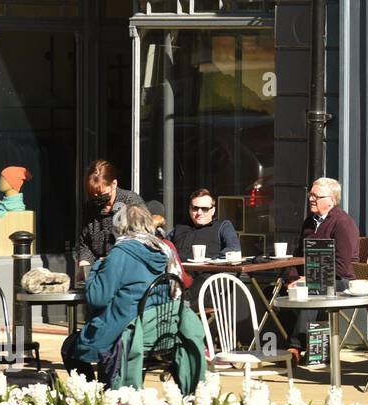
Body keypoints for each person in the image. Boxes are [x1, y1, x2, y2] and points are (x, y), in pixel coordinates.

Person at [62, 204, 205, 392]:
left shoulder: (121, 252)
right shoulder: (164, 249)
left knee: (71, 347)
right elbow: (181, 283)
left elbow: (97, 298)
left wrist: (96, 266)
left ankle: (91, 396)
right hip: (163, 331)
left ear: (119, 227)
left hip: (129, 330)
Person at [283, 177, 361, 362]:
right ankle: (295, 346)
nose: (311, 199)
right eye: (310, 194)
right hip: (312, 278)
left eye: (316, 196)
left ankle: (295, 347)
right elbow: (298, 255)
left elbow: (342, 266)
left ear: (331, 200)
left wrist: (308, 280)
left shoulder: (343, 223)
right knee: (278, 291)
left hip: (341, 280)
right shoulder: (309, 222)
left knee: (311, 290)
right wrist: (292, 278)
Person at [74, 159, 144, 281]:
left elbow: (140, 242)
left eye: (101, 193)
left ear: (114, 184)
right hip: (99, 274)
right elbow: (85, 242)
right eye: (93, 194)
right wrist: (84, 268)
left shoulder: (130, 202)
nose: (97, 198)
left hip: (128, 273)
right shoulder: (90, 207)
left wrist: (110, 260)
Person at [170, 189, 242, 261]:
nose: (199, 213)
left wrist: (210, 261)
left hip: (211, 271)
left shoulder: (223, 226)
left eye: (204, 209)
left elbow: (234, 250)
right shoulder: (180, 227)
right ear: (189, 209)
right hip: (177, 271)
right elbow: (163, 247)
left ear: (213, 210)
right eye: (195, 208)